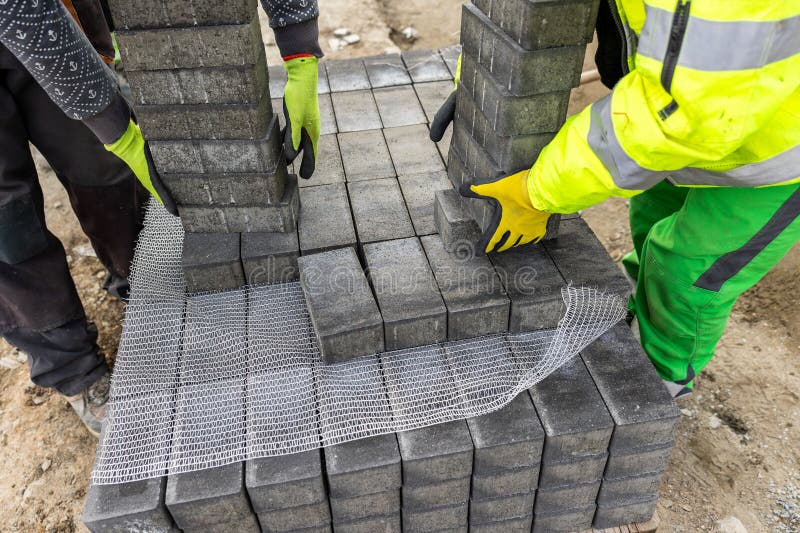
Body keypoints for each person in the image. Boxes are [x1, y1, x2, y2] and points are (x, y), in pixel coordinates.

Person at [432, 1, 800, 398]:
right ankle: (632, 305)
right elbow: (525, 15)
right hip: (694, 112)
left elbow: (685, 118)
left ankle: (659, 383)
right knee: (649, 216)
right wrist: (482, 87)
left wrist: (536, 194)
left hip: (778, 156)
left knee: (684, 272)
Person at [0, 0, 322, 436]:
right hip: (20, 10)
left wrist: (300, 52)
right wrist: (117, 130)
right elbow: (21, 14)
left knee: (101, 162)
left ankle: (142, 280)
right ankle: (70, 367)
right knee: (7, 225)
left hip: (53, 10)